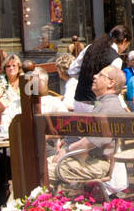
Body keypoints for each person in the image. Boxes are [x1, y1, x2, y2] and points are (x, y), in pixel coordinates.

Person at [49, 66, 128, 196]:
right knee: (41, 166)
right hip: (87, 159)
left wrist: (67, 150)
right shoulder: (102, 103)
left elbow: (92, 141)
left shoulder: (110, 107)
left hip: (96, 163)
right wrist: (66, 141)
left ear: (111, 83)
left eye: (101, 75)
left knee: (44, 171)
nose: (94, 76)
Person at [70, 26, 129, 105]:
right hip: (97, 104)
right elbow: (112, 87)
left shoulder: (89, 47)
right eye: (127, 45)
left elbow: (72, 71)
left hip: (78, 101)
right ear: (124, 41)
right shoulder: (116, 59)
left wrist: (85, 79)